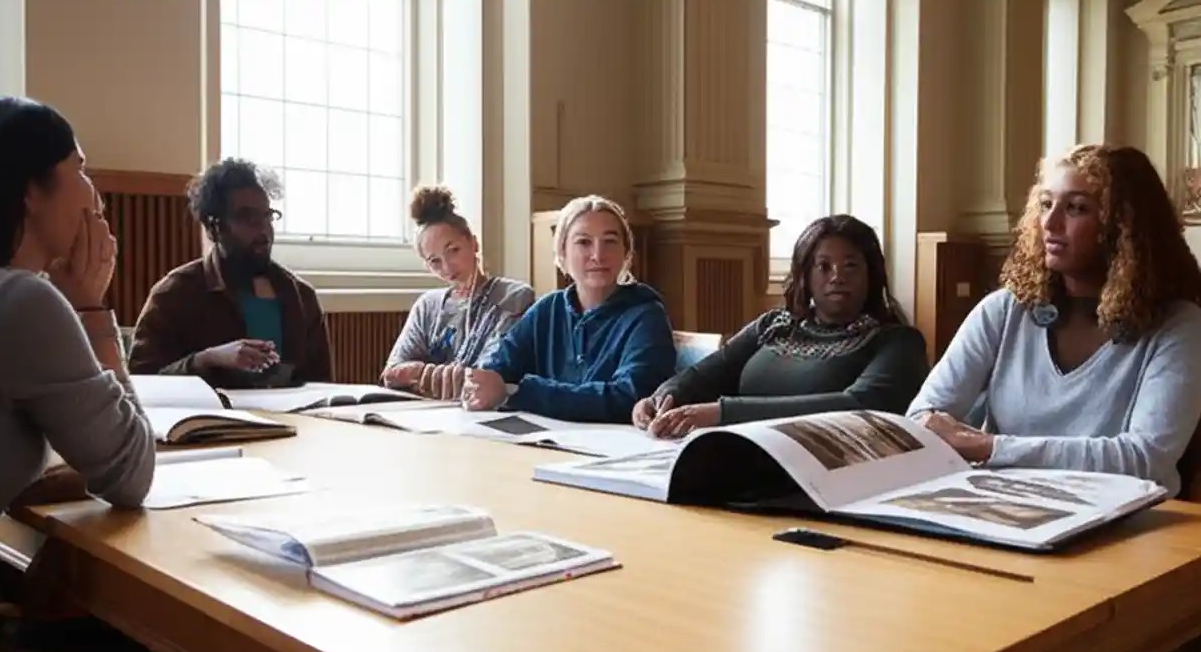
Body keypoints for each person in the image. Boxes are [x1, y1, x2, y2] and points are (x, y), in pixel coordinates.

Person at [0, 97, 223, 652]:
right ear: (30, 191)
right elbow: (132, 472)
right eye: (80, 170)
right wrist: (91, 310)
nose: (97, 197)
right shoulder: (17, 304)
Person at [907, 144, 1201, 497]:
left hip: (1124, 523)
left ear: (1124, 225)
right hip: (1001, 506)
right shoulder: (1003, 311)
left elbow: (1144, 458)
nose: (1049, 222)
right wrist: (951, 434)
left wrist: (990, 447)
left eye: (1076, 208)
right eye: (1046, 204)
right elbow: (923, 416)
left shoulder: (1180, 325)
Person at [634, 215, 929, 438]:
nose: (837, 276)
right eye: (823, 266)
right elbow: (707, 372)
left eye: (850, 265)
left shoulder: (899, 342)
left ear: (871, 274)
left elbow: (857, 406)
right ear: (805, 276)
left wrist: (723, 413)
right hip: (737, 455)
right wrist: (665, 397)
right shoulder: (773, 325)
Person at [462, 195, 676, 422]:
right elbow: (499, 366)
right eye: (584, 242)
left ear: (626, 253)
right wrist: (482, 382)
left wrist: (518, 392)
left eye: (610, 241)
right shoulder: (547, 309)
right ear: (562, 253)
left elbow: (628, 398)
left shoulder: (646, 315)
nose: (598, 255)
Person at [128, 158, 332, 389]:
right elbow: (141, 382)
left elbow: (321, 387)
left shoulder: (302, 297)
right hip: (211, 423)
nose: (263, 229)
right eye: (248, 218)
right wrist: (206, 360)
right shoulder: (175, 294)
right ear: (214, 228)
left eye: (267, 216)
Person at [381, 185, 534, 399]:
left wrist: (419, 374)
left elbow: (490, 375)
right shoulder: (428, 305)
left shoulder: (514, 296)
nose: (447, 267)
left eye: (453, 251)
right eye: (435, 261)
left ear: (474, 242)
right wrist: (436, 375)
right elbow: (392, 373)